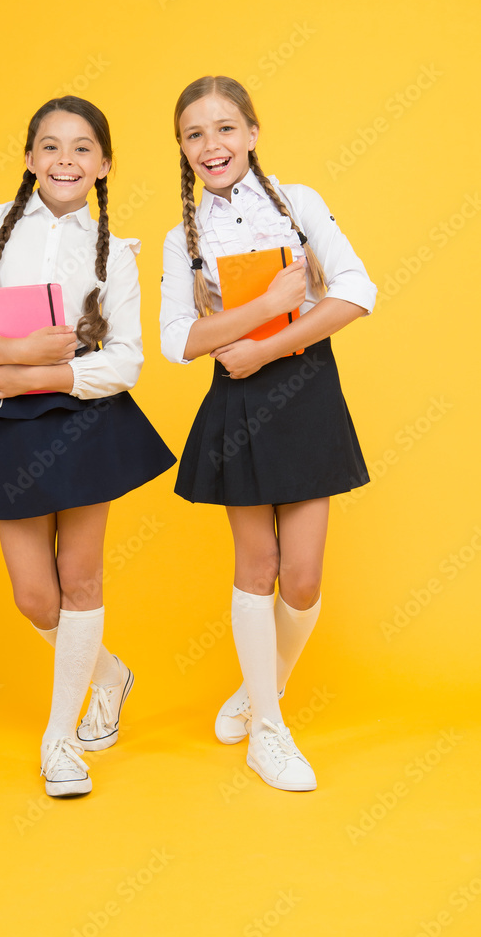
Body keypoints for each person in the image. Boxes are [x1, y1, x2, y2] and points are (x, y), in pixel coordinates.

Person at [0, 96, 175, 798]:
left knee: (81, 579)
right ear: (29, 157)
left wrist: (40, 373)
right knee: (36, 597)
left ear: (104, 165)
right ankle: (110, 675)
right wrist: (10, 352)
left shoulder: (115, 252)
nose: (65, 160)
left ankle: (61, 740)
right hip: (8, 419)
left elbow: (127, 360)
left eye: (81, 148)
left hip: (86, 417)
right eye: (50, 145)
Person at [160, 76, 376, 792]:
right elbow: (177, 340)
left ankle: (260, 691)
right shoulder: (182, 238)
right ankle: (269, 734)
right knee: (257, 566)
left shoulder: (300, 202)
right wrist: (264, 311)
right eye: (194, 134)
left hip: (307, 388)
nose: (211, 145)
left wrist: (268, 343)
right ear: (183, 148)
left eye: (225, 128)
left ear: (252, 133)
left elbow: (357, 291)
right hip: (239, 401)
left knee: (303, 579)